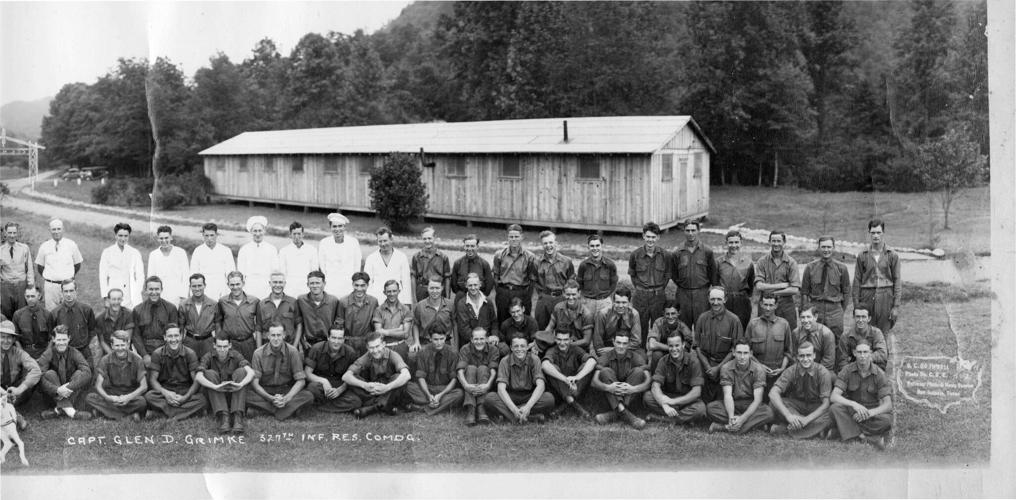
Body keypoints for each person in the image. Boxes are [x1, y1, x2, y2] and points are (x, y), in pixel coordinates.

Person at [829, 339, 893, 450]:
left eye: (865, 352)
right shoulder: (847, 370)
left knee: (887, 421)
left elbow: (888, 405)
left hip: (871, 412)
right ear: (854, 353)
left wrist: (870, 413)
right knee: (834, 408)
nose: (862, 356)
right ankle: (866, 437)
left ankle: (844, 431)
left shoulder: (879, 374)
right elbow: (834, 396)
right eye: (859, 352)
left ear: (870, 353)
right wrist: (854, 405)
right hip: (852, 411)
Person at [246, 323, 313, 420]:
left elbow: (301, 381)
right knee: (245, 395)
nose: (276, 339)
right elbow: (255, 384)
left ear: (284, 335)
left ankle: (265, 409)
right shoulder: (258, 353)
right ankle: (287, 410)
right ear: (268, 336)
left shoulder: (293, 351)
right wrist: (270, 398)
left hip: (285, 389)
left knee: (309, 395)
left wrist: (286, 398)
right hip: (266, 391)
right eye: (273, 335)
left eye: (279, 335)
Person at [706, 340, 774, 434]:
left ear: (751, 354)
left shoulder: (759, 369)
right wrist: (730, 417)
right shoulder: (726, 368)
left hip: (750, 404)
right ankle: (754, 424)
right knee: (711, 408)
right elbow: (727, 395)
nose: (742, 357)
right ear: (733, 352)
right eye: (739, 353)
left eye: (745, 353)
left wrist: (742, 419)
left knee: (768, 412)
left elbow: (757, 400)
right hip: (733, 403)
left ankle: (724, 427)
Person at [768, 342, 833, 439]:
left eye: (808, 355)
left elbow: (825, 404)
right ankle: (815, 432)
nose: (805, 359)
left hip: (816, 407)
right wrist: (788, 415)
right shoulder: (791, 370)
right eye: (802, 356)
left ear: (814, 355)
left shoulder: (823, 372)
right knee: (774, 403)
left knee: (831, 412)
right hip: (796, 407)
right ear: (797, 357)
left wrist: (806, 420)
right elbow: (773, 393)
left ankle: (783, 430)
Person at [484, 336, 555, 424]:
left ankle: (512, 416)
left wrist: (528, 407)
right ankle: (528, 417)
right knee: (489, 398)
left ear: (527, 347)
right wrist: (514, 409)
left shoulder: (534, 359)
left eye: (522, 346)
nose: (519, 349)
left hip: (529, 395)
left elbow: (541, 385)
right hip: (510, 395)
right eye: (516, 346)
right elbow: (501, 389)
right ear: (511, 348)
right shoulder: (505, 361)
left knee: (549, 398)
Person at [340, 332, 412, 419]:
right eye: (371, 347)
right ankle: (385, 405)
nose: (375, 351)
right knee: (353, 379)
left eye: (377, 346)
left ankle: (373, 408)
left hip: (389, 391)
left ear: (383, 344)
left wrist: (387, 387)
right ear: (367, 347)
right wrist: (365, 385)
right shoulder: (366, 357)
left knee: (398, 377)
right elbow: (346, 376)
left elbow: (407, 374)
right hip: (372, 391)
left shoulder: (393, 355)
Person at [144, 324, 206, 420]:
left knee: (202, 400)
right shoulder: (157, 353)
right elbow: (153, 380)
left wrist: (185, 398)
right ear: (165, 337)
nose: (173, 339)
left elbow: (196, 381)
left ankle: (166, 414)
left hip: (184, 389)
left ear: (181, 336)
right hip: (165, 388)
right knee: (149, 396)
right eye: (170, 336)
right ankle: (182, 414)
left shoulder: (190, 353)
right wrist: (165, 393)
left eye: (176, 335)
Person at [195, 335, 255, 434]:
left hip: (234, 395)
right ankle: (224, 418)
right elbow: (198, 376)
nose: (222, 350)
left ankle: (237, 417)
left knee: (242, 371)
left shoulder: (236, 355)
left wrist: (241, 384)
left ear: (230, 345)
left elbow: (251, 372)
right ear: (214, 345)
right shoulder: (208, 356)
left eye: (225, 346)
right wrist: (215, 386)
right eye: (219, 346)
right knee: (209, 373)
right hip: (216, 396)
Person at [644, 332, 707, 426]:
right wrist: (664, 404)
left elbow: (696, 392)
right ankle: (683, 418)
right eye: (671, 346)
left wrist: (673, 402)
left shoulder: (693, 361)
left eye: (677, 345)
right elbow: (655, 386)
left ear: (683, 345)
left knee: (700, 409)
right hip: (668, 397)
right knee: (647, 397)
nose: (674, 349)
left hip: (686, 400)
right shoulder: (663, 361)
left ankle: (666, 419)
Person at [591, 332, 650, 429]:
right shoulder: (606, 357)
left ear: (629, 344)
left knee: (638, 372)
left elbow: (648, 381)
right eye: (618, 342)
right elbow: (594, 381)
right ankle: (626, 414)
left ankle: (614, 414)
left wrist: (633, 389)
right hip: (610, 396)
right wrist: (608, 387)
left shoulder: (636, 357)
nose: (621, 346)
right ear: (613, 342)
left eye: (624, 343)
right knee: (605, 371)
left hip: (629, 395)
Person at [86, 331, 148, 420]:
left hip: (129, 395)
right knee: (90, 397)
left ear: (128, 344)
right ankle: (126, 416)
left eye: (122, 345)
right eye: (117, 345)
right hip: (112, 394)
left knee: (142, 402)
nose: (120, 348)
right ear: (112, 345)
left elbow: (144, 386)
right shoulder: (105, 360)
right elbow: (98, 386)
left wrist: (128, 397)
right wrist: (109, 398)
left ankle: (108, 414)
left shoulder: (137, 360)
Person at [693, 287, 742, 402]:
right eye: (712, 299)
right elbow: (697, 346)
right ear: (708, 299)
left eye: (719, 299)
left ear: (725, 300)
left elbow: (735, 350)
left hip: (725, 362)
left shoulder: (734, 320)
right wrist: (708, 367)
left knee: (726, 375)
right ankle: (699, 404)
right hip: (706, 361)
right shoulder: (702, 318)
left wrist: (718, 368)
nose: (715, 303)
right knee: (694, 367)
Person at [853, 219, 901, 333]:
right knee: (866, 332)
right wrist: (856, 305)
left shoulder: (892, 255)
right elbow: (857, 281)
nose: (875, 235)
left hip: (886, 296)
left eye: (878, 232)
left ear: (883, 233)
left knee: (883, 333)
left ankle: (884, 351)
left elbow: (897, 281)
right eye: (873, 232)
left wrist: (896, 306)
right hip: (867, 296)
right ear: (869, 233)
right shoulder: (862, 256)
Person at [37, 325, 93, 420]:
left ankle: (58, 410)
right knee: (49, 374)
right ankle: (72, 412)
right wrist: (57, 390)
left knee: (79, 373)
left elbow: (87, 372)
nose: (62, 343)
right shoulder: (48, 353)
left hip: (71, 393)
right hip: (53, 395)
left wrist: (67, 387)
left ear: (69, 339)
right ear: (53, 339)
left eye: (64, 339)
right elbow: (39, 376)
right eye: (59, 340)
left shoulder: (74, 352)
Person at [406, 324, 464, 415]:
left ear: (445, 338)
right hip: (427, 387)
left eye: (442, 339)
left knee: (459, 394)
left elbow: (454, 379)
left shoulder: (453, 353)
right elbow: (421, 377)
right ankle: (435, 403)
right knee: (408, 386)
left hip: (444, 389)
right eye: (436, 339)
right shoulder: (423, 352)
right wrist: (428, 395)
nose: (439, 342)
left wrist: (440, 395)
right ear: (430, 339)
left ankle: (423, 408)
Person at [801, 236, 851, 339]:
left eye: (829, 247)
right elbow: (804, 292)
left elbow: (846, 292)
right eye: (823, 247)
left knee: (836, 341)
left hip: (835, 311)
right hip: (815, 309)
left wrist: (841, 310)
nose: (826, 250)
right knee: (814, 340)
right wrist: (807, 310)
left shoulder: (842, 268)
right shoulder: (810, 267)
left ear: (833, 248)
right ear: (819, 248)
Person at [671, 221, 718, 329]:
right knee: (683, 325)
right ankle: (686, 346)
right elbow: (673, 274)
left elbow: (713, 274)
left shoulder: (707, 251)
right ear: (684, 231)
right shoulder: (677, 252)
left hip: (702, 294)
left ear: (698, 231)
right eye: (688, 230)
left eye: (693, 230)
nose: (690, 233)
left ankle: (700, 346)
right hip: (684, 293)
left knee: (702, 325)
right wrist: (683, 285)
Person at [541, 330, 596, 419]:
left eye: (565, 339)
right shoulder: (552, 351)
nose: (562, 343)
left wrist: (577, 377)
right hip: (559, 389)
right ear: (555, 339)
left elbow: (592, 361)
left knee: (586, 366)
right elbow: (544, 365)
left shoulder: (576, 349)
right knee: (552, 368)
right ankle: (576, 406)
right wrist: (565, 379)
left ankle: (563, 406)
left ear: (571, 340)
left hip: (576, 386)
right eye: (559, 339)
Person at [303, 327, 359, 413]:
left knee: (356, 402)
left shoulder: (350, 353)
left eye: (340, 338)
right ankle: (335, 404)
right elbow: (307, 373)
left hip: (340, 384)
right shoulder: (317, 348)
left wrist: (340, 390)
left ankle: (321, 406)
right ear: (328, 337)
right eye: (334, 338)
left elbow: (353, 377)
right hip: (320, 384)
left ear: (344, 339)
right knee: (312, 388)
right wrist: (323, 381)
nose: (336, 342)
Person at [745, 294, 792, 395]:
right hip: (756, 371)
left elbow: (788, 351)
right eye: (765, 304)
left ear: (776, 306)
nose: (768, 308)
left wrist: (782, 368)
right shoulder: (753, 324)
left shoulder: (784, 324)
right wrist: (759, 365)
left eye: (771, 305)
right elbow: (746, 351)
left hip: (778, 373)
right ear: (761, 304)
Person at [628, 221, 669, 335]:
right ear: (643, 236)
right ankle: (642, 351)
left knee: (659, 326)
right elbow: (633, 275)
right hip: (641, 296)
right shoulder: (635, 255)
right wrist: (641, 289)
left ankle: (657, 351)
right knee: (640, 327)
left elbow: (666, 276)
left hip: (658, 296)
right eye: (648, 236)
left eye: (653, 237)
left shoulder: (665, 255)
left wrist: (658, 289)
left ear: (658, 237)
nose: (650, 240)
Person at [754, 231, 801, 330]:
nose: (776, 244)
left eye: (779, 241)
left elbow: (794, 290)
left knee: (789, 335)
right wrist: (782, 285)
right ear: (769, 242)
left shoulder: (791, 263)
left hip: (786, 306)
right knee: (763, 333)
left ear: (784, 242)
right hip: (766, 305)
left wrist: (771, 292)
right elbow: (759, 286)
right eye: (773, 241)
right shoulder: (762, 262)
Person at [492, 224, 537, 322]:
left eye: (516, 236)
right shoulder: (499, 255)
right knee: (503, 321)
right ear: (507, 237)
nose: (514, 239)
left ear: (521, 237)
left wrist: (527, 296)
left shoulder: (530, 257)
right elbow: (495, 275)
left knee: (522, 321)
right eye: (511, 237)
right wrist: (499, 291)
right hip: (504, 292)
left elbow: (532, 279)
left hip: (521, 292)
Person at [35, 219, 83, 310]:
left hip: (67, 285)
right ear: (49, 230)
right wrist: (51, 277)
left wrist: (68, 277)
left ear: (63, 229)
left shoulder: (71, 245)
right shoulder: (44, 246)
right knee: (51, 313)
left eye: (58, 229)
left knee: (69, 310)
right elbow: (40, 267)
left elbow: (77, 264)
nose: (56, 232)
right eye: (53, 229)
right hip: (50, 286)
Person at [456, 327, 499, 426]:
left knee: (483, 368)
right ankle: (471, 409)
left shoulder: (493, 350)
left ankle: (481, 408)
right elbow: (460, 371)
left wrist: (488, 385)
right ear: (471, 339)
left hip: (486, 383)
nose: (479, 342)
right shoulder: (465, 349)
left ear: (487, 339)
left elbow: (493, 370)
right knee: (471, 368)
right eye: (476, 339)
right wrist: (466, 385)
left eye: (481, 339)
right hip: (469, 384)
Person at [132, 276, 180, 365]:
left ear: (161, 289)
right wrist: (145, 355)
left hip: (166, 351)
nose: (154, 292)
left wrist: (167, 353)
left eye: (157, 289)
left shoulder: (171, 308)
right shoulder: (137, 310)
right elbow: (136, 335)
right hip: (146, 351)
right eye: (151, 289)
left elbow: (174, 333)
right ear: (146, 290)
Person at [533, 230, 575, 330]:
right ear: (542, 245)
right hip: (544, 298)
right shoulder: (536, 262)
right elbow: (534, 280)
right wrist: (542, 295)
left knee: (562, 327)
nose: (548, 245)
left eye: (551, 242)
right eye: (545, 243)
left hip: (561, 298)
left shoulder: (566, 261)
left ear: (556, 243)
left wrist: (566, 296)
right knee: (542, 327)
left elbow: (571, 281)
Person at [99, 222, 146, 309]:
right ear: (115, 236)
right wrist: (106, 298)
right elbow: (103, 276)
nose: (123, 239)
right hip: (114, 292)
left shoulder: (134, 253)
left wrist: (137, 291)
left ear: (129, 236)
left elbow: (140, 275)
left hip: (130, 294)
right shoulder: (107, 252)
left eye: (126, 236)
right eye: (120, 235)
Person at [49, 280, 98, 362]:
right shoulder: (55, 313)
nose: (68, 294)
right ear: (62, 292)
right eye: (66, 291)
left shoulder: (86, 310)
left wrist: (84, 343)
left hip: (83, 351)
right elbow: (51, 335)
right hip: (63, 352)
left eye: (71, 291)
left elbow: (92, 330)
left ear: (76, 291)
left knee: (89, 373)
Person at [1, 320, 41, 421]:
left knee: (30, 379)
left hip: (14, 390)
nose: (6, 341)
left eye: (9, 337)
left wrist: (19, 389)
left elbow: (36, 370)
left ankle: (6, 407)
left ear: (14, 339)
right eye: (2, 337)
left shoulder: (19, 353)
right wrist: (2, 393)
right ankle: (13, 412)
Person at [540, 279, 594, 352]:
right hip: (560, 344)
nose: (571, 297)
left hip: (578, 348)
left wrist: (567, 344)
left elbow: (586, 341)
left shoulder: (586, 313)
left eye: (573, 294)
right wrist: (542, 338)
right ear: (563, 293)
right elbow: (550, 327)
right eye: (568, 294)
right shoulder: (558, 308)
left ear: (579, 293)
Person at [363, 227, 413, 305]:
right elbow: (367, 281)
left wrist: (407, 302)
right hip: (377, 299)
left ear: (391, 239)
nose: (383, 244)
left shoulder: (401, 257)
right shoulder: (371, 258)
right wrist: (368, 301)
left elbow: (406, 281)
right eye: (380, 241)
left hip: (397, 299)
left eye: (385, 241)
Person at [217, 271, 260, 361]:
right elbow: (218, 323)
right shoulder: (222, 302)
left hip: (248, 343)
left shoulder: (254, 301)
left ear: (243, 283)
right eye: (232, 284)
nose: (235, 287)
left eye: (238, 284)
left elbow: (259, 325)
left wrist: (258, 348)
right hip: (230, 344)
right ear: (228, 284)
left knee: (249, 370)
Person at [318, 212, 362, 299]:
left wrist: (354, 281)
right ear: (330, 227)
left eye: (340, 226)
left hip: (348, 283)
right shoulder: (324, 243)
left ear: (344, 227)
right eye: (334, 226)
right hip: (331, 284)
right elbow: (322, 265)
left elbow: (357, 264)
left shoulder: (353, 242)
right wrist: (328, 280)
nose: (337, 229)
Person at [716, 230, 754, 329]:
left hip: (742, 302)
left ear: (741, 243)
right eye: (731, 242)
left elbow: (751, 284)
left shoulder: (748, 262)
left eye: (736, 242)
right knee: (724, 329)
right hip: (724, 301)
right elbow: (715, 283)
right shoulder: (719, 262)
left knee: (741, 329)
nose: (734, 245)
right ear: (726, 243)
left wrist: (744, 297)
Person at [372, 279, 415, 368]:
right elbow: (378, 333)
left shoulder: (405, 309)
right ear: (384, 292)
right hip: (384, 348)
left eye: (394, 291)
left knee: (402, 371)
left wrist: (386, 332)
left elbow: (405, 334)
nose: (392, 294)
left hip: (401, 346)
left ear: (399, 291)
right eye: (389, 291)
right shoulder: (378, 310)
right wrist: (398, 329)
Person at [189, 222, 236, 301]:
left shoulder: (225, 250)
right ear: (203, 235)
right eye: (206, 235)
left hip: (221, 287)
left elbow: (231, 273)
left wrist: (229, 291)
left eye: (212, 235)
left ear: (216, 235)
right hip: (204, 288)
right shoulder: (198, 251)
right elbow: (193, 273)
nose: (209, 238)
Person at [296, 270, 340, 352]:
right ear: (307, 284)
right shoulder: (301, 300)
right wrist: (302, 341)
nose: (315, 286)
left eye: (318, 283)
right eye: (312, 283)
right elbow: (299, 322)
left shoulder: (333, 301)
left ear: (324, 284)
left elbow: (337, 323)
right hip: (309, 344)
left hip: (328, 343)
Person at [335, 271, 378, 354]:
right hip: (348, 342)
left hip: (367, 342)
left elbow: (375, 324)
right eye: (356, 285)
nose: (359, 289)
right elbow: (339, 325)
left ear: (367, 285)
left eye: (362, 285)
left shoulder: (373, 302)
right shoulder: (343, 302)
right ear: (352, 284)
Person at [236, 216, 279, 300]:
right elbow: (241, 271)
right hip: (249, 285)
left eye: (260, 230)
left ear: (264, 231)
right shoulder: (244, 249)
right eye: (255, 231)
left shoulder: (272, 249)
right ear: (251, 232)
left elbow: (275, 269)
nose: (258, 234)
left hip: (266, 285)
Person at [146, 225, 190, 306]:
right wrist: (153, 295)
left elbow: (186, 276)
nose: (164, 241)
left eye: (166, 238)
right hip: (159, 295)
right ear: (158, 239)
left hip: (176, 295)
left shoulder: (180, 252)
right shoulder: (153, 254)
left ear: (171, 237)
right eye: (161, 238)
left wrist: (183, 297)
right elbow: (151, 277)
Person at [591, 288, 642, 358]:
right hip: (607, 350)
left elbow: (636, 342)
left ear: (629, 302)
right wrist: (604, 355)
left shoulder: (634, 314)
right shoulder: (603, 314)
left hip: (627, 349)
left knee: (641, 360)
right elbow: (598, 342)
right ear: (613, 302)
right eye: (617, 302)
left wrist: (615, 349)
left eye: (624, 302)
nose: (620, 306)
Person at [179, 274, 219, 360]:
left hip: (208, 341)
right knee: (190, 367)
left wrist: (217, 343)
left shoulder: (213, 304)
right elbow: (181, 327)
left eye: (199, 285)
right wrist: (180, 344)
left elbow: (218, 326)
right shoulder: (184, 305)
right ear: (190, 287)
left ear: (205, 285)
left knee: (208, 367)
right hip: (190, 341)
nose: (197, 289)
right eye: (194, 286)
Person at [576, 233, 618, 316]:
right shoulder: (583, 265)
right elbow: (579, 284)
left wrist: (606, 298)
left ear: (602, 246)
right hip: (587, 303)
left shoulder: (610, 265)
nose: (595, 248)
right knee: (587, 328)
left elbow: (613, 284)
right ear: (588, 247)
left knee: (603, 328)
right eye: (592, 246)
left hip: (604, 303)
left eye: (597, 245)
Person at [646, 300, 693, 372]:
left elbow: (687, 348)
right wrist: (670, 348)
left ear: (678, 313)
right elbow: (652, 345)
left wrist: (673, 349)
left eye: (673, 313)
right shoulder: (658, 323)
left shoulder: (683, 328)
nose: (670, 317)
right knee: (656, 355)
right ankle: (654, 378)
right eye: (667, 314)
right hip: (663, 353)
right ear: (663, 314)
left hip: (677, 353)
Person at [454, 272, 498, 349]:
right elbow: (464, 329)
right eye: (470, 285)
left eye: (475, 285)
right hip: (470, 343)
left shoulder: (488, 302)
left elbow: (494, 322)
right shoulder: (462, 304)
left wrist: (494, 336)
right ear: (466, 285)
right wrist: (482, 340)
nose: (473, 288)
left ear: (480, 284)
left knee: (504, 349)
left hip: (488, 342)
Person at [1, 222, 34, 319]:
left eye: (14, 233)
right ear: (5, 233)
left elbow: (30, 268)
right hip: (6, 287)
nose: (12, 235)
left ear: (17, 233)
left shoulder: (24, 248)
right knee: (6, 313)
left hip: (21, 286)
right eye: (9, 233)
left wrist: (30, 285)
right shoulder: (1, 250)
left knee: (22, 313)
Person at [837, 308, 888, 372]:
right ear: (854, 318)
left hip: (873, 367)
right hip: (853, 369)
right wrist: (847, 375)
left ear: (869, 318)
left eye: (863, 317)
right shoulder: (846, 336)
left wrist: (864, 359)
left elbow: (882, 354)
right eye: (858, 317)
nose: (860, 320)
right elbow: (842, 361)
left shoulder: (876, 333)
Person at [256, 272, 301, 344]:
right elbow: (258, 329)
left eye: (280, 282)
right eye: (275, 282)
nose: (277, 285)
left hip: (289, 346)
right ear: (270, 283)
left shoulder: (293, 302)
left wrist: (294, 347)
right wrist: (259, 350)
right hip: (268, 347)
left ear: (284, 283)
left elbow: (299, 325)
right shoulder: (262, 305)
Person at [410, 226, 452, 304]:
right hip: (422, 290)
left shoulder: (443, 257)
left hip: (437, 290)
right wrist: (414, 298)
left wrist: (447, 298)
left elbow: (447, 279)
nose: (427, 241)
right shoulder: (416, 257)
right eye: (425, 239)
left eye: (429, 238)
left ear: (434, 238)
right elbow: (413, 278)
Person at [278, 221, 319, 298]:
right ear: (290, 235)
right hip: (289, 287)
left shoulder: (312, 250)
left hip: (306, 287)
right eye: (294, 234)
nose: (297, 236)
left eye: (299, 234)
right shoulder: (284, 251)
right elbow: (282, 272)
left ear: (303, 234)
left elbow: (314, 270)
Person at [450, 234, 493, 306]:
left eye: (472, 246)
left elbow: (489, 285)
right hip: (461, 298)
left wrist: (480, 296)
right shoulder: (458, 263)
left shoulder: (484, 264)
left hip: (478, 299)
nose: (469, 249)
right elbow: (454, 285)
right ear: (464, 246)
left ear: (477, 247)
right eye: (467, 246)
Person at [412, 278, 454, 349]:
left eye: (437, 288)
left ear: (442, 288)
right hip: (425, 343)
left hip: (445, 343)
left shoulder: (450, 305)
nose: (434, 291)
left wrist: (455, 345)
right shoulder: (420, 306)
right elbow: (415, 325)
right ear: (427, 288)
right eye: (431, 288)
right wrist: (416, 342)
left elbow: (455, 324)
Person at [791, 307, 837, 372]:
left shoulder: (826, 334)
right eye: (802, 317)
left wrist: (814, 374)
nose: (806, 321)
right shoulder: (796, 333)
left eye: (808, 317)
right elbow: (794, 356)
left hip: (822, 371)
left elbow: (828, 361)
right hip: (801, 370)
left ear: (815, 317)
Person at [12, 286, 53, 359]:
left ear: (39, 296)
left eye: (33, 296)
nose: (30, 299)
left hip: (43, 351)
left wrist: (45, 356)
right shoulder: (18, 315)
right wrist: (23, 355)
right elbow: (16, 339)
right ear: (24, 296)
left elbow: (51, 338)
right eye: (27, 296)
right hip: (25, 351)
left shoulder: (47, 314)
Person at [94, 289, 133, 357]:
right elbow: (102, 341)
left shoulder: (129, 314)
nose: (116, 302)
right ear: (108, 300)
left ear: (122, 300)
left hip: (125, 351)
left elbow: (127, 338)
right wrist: (112, 356)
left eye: (119, 299)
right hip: (108, 353)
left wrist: (121, 354)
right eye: (113, 299)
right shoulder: (100, 318)